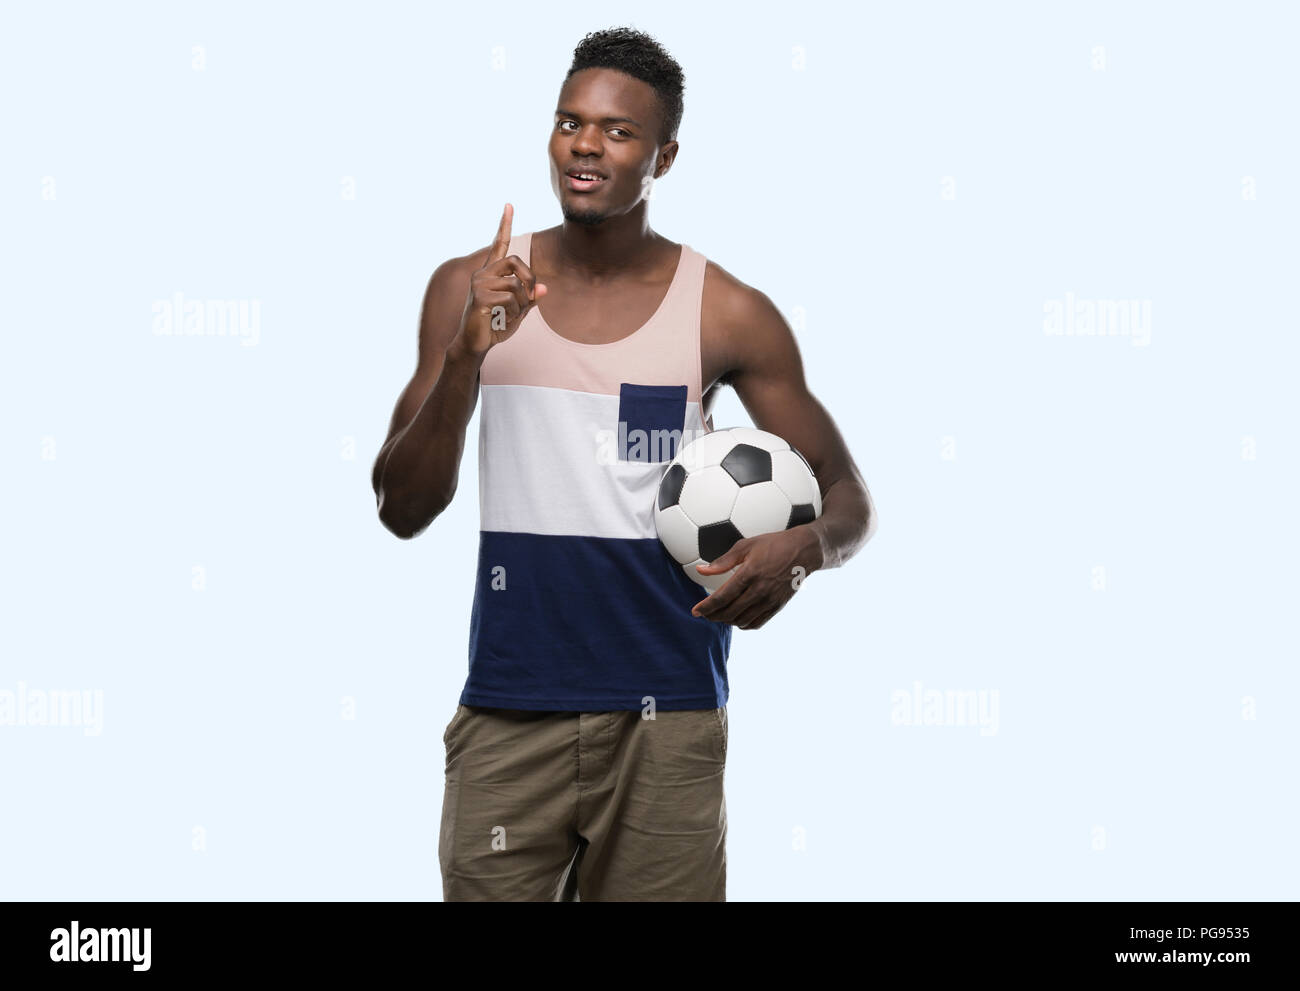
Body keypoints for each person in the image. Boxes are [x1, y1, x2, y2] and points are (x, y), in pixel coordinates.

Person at [372, 27, 876, 901]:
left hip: (670, 714)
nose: (585, 146)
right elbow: (401, 505)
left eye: (617, 130)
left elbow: (847, 496)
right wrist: (466, 357)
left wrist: (802, 550)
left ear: (665, 155)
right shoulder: (470, 286)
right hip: (508, 708)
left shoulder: (727, 312)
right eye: (571, 123)